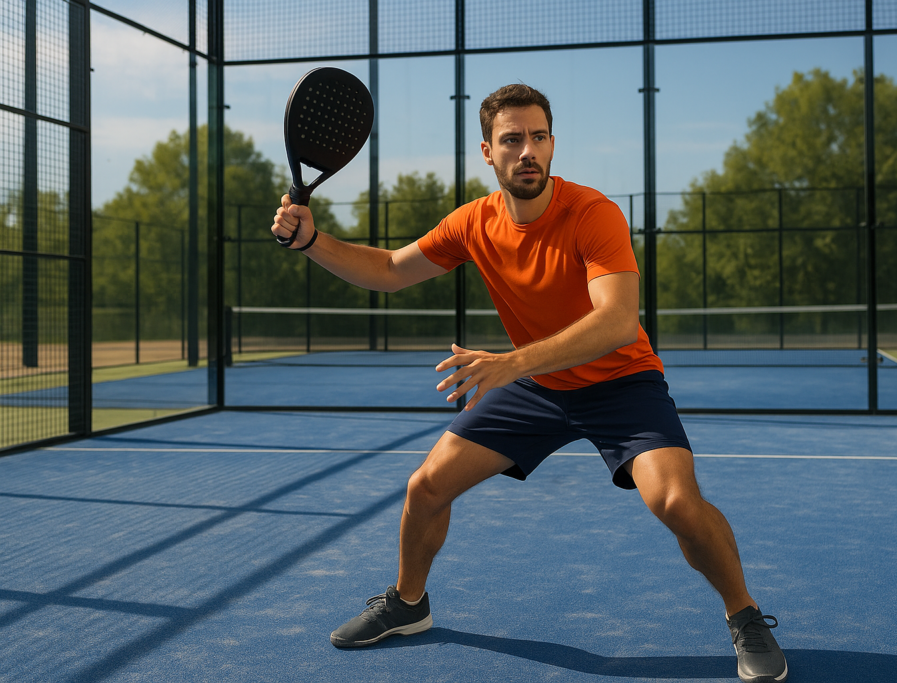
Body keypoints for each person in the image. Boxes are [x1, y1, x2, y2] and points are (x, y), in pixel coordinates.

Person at [271, 84, 788, 683]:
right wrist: (311, 240)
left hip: (621, 381)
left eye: (538, 137)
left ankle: (745, 615)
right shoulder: (473, 223)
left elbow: (618, 321)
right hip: (538, 385)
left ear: (551, 144)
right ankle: (409, 603)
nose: (527, 151)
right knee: (426, 487)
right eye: (512, 140)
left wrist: (511, 365)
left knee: (675, 502)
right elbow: (388, 270)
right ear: (488, 152)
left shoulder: (593, 213)